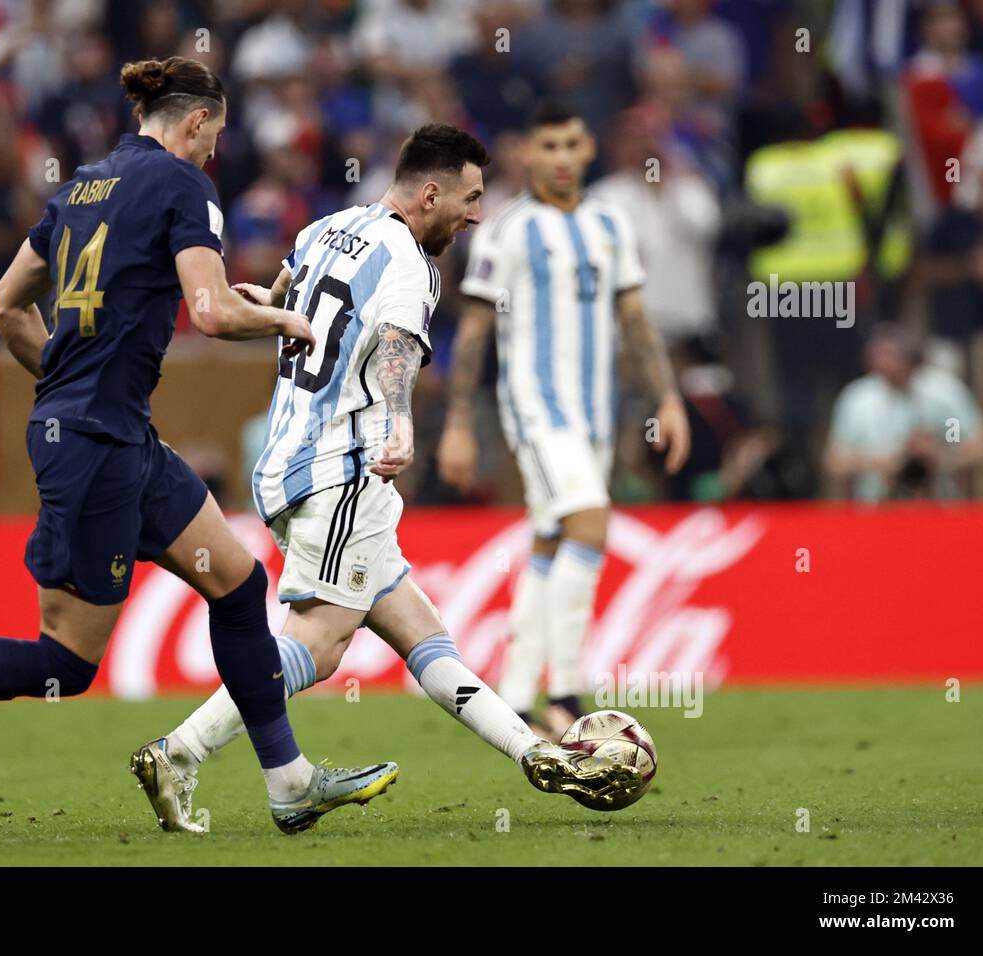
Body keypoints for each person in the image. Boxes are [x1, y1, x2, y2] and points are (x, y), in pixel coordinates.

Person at [0, 56, 398, 835]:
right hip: (97, 443)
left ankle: (289, 782)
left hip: (112, 435)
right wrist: (284, 319)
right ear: (198, 119)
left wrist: (70, 387)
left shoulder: (78, 189)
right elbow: (209, 313)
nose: (214, 152)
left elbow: (7, 306)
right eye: (216, 134)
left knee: (238, 587)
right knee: (64, 666)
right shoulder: (183, 186)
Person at [131, 124, 640, 834]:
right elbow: (397, 344)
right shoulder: (410, 261)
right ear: (430, 194)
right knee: (322, 641)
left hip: (286, 461)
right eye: (468, 198)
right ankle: (180, 749)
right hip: (345, 465)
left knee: (419, 630)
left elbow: (276, 296)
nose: (475, 215)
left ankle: (537, 754)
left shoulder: (325, 229)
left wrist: (250, 303)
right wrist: (400, 418)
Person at [436, 101, 691, 741]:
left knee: (552, 542)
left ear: (587, 152)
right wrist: (460, 421)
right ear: (528, 154)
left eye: (569, 145)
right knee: (590, 519)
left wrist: (669, 399)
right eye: (545, 146)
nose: (557, 157)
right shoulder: (505, 230)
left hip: (595, 415)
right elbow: (473, 330)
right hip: (535, 410)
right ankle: (568, 694)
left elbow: (634, 320)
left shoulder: (610, 224)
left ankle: (517, 701)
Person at [823, 324, 983, 502]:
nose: (885, 363)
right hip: (877, 506)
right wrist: (879, 461)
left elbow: (977, 445)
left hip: (938, 504)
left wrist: (941, 455)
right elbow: (835, 461)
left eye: (891, 355)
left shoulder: (944, 394)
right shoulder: (858, 399)